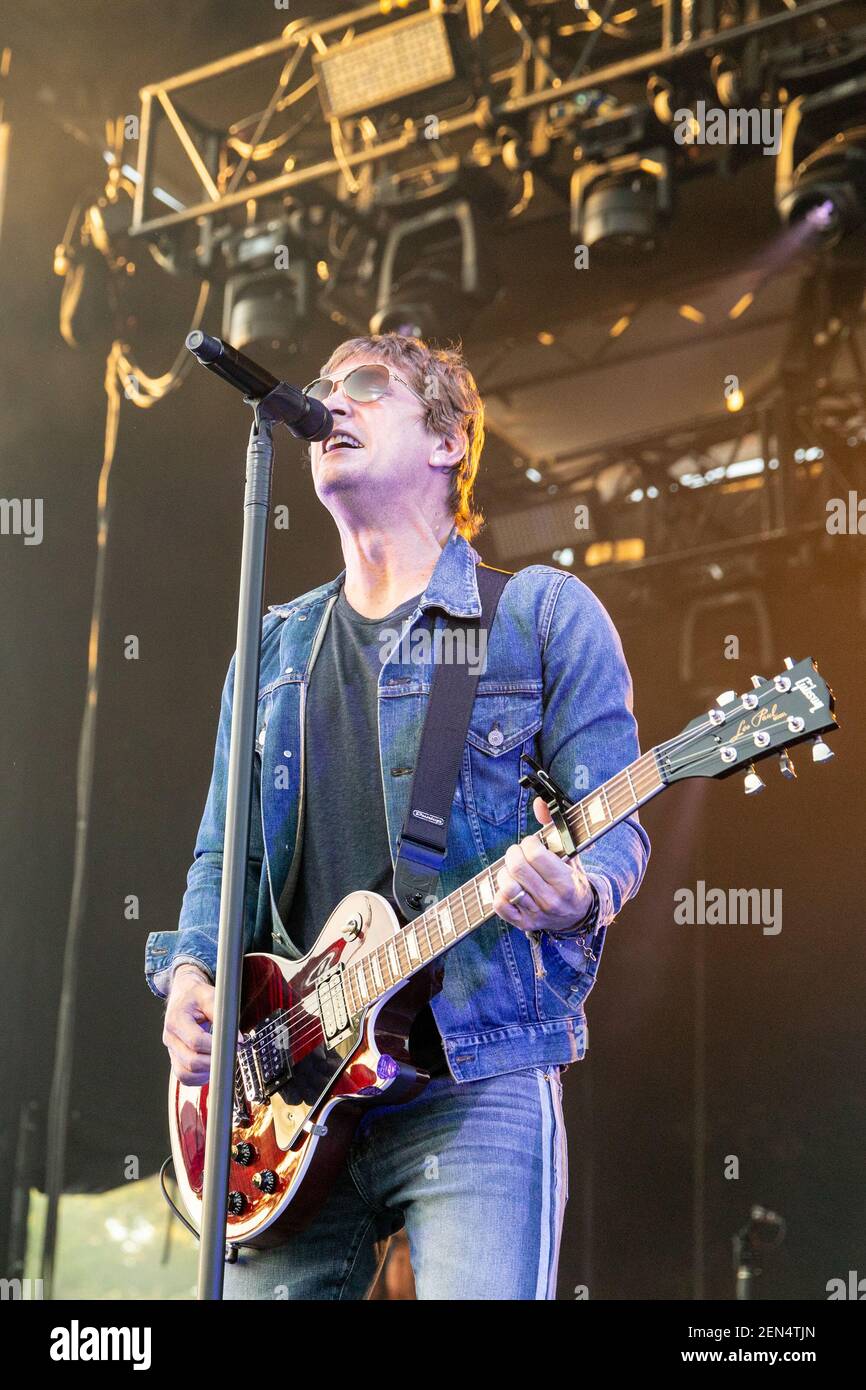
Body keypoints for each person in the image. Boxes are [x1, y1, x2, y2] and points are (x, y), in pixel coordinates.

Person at [144, 332, 651, 1299]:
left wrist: (576, 892)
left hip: (474, 1076)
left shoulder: (533, 617)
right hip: (286, 1095)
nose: (332, 400)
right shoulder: (274, 648)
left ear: (449, 440)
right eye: (326, 387)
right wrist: (192, 979)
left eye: (367, 386)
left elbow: (614, 820)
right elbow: (222, 856)